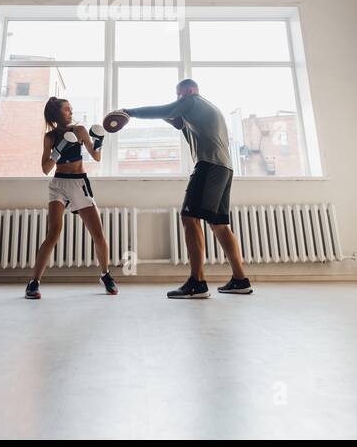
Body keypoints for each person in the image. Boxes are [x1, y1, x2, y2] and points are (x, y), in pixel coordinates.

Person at [107, 78, 251, 298]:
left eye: (180, 95)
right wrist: (172, 116)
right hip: (224, 168)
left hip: (209, 165)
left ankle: (197, 283)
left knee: (189, 218)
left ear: (190, 91)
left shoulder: (193, 100)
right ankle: (240, 280)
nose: (179, 99)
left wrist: (128, 112)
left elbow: (166, 109)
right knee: (219, 224)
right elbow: (175, 118)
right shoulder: (207, 109)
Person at [26, 97, 118, 299]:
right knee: (54, 232)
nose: (71, 111)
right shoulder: (49, 137)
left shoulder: (79, 130)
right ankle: (33, 283)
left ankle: (105, 275)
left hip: (79, 183)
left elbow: (96, 157)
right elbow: (45, 169)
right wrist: (58, 151)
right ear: (57, 113)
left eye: (70, 109)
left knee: (98, 234)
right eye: (67, 109)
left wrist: (99, 141)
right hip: (59, 184)